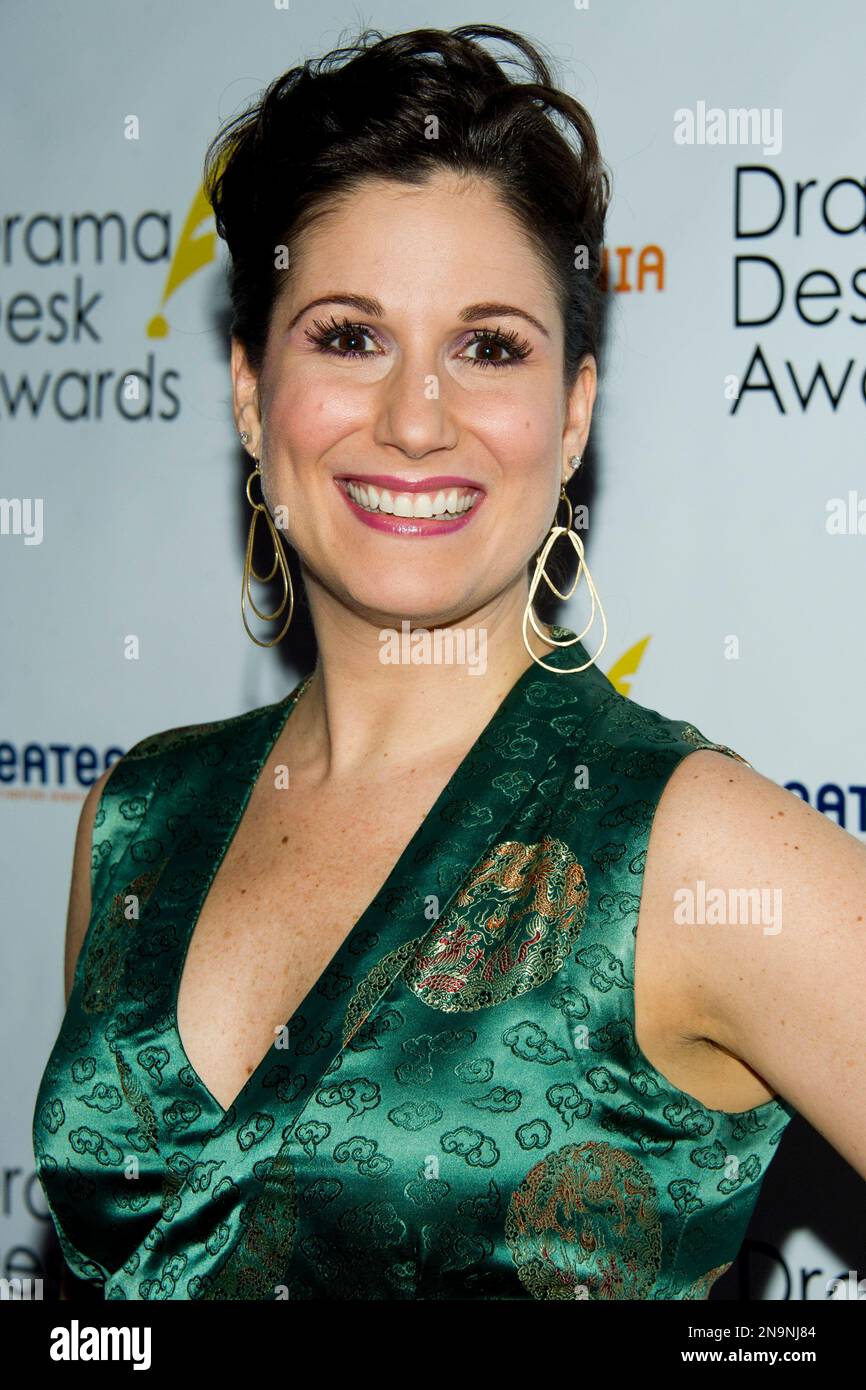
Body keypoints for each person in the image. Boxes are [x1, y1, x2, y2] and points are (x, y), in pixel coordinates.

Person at [33, 23, 865, 1303]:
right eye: (347, 336)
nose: (414, 419)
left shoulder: (684, 849)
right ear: (250, 392)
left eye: (487, 347)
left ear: (571, 411)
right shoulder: (134, 821)